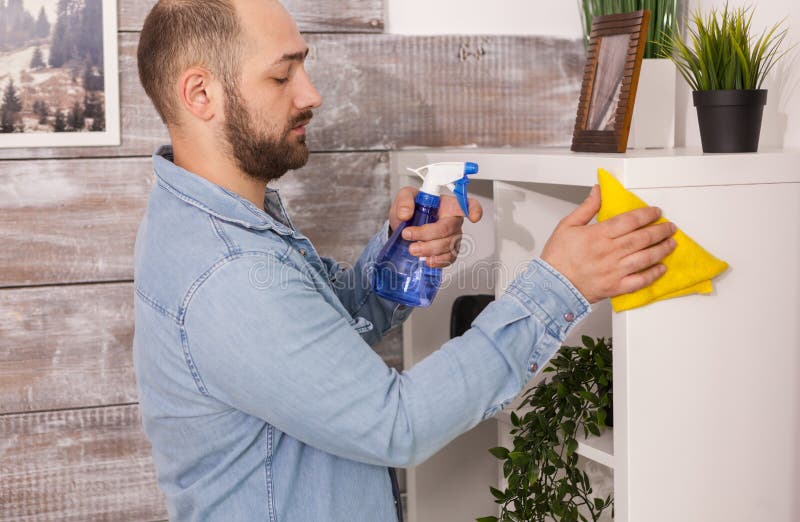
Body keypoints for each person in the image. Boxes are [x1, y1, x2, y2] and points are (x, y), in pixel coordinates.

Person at [133, 1, 678, 520]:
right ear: (200, 93)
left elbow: (317, 339)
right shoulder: (229, 273)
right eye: (282, 77)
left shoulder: (211, 221)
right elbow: (398, 424)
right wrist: (560, 285)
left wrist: (402, 254)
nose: (312, 94)